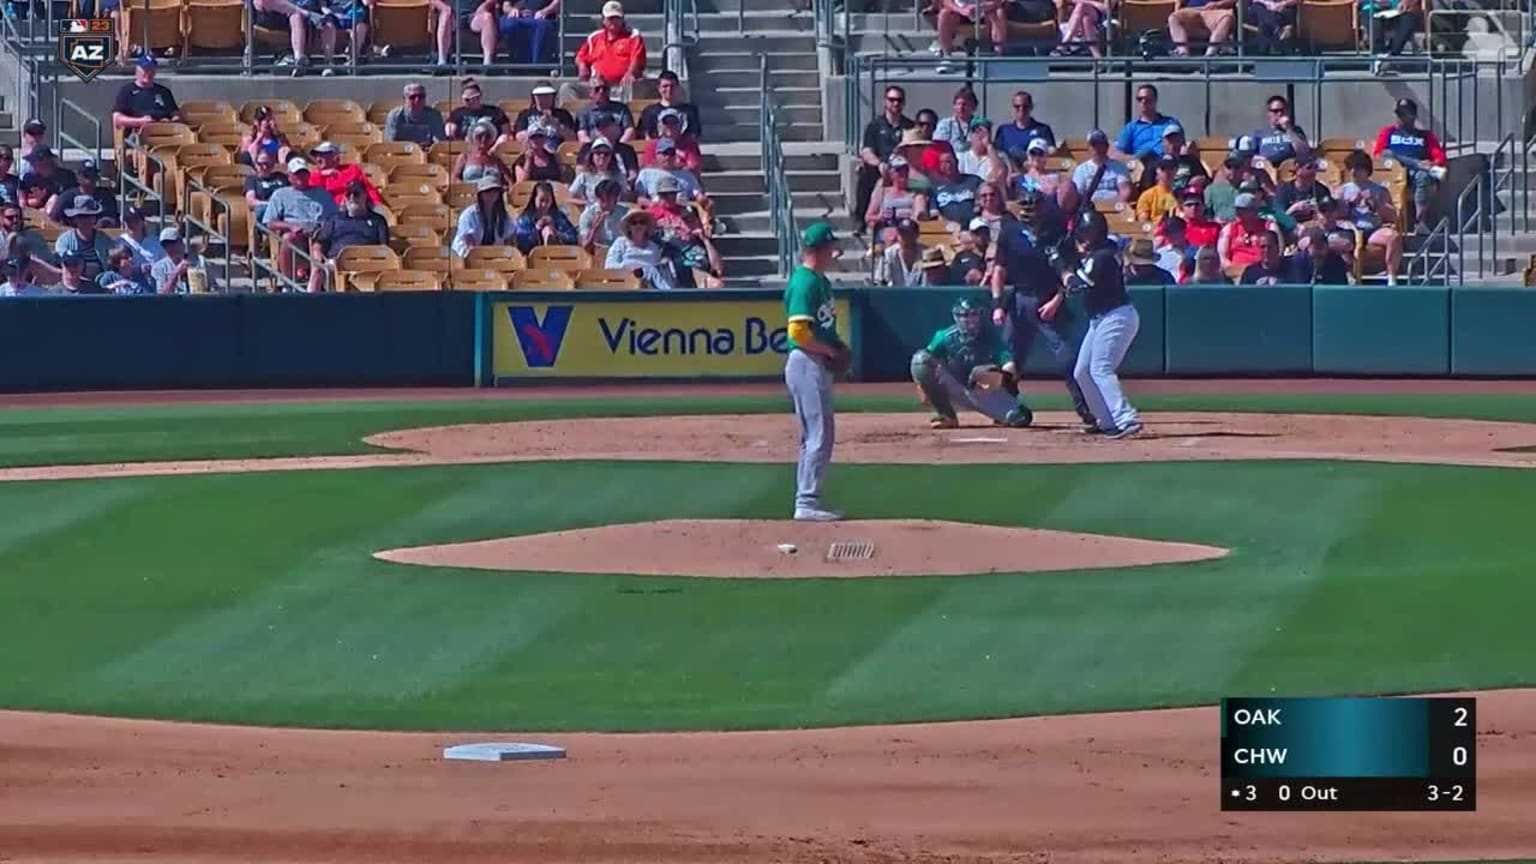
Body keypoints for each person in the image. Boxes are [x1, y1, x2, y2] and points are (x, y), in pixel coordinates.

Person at [987, 192, 1095, 424]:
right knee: (1009, 359)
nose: (1031, 214)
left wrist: (1057, 300)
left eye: (1035, 209)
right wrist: (997, 304)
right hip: (1019, 299)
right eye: (1027, 210)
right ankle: (1007, 408)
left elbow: (1069, 273)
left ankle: (1087, 409)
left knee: (1068, 358)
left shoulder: (1057, 234)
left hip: (1049, 300)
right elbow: (999, 270)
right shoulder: (1011, 232)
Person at [783, 221, 849, 522]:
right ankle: (806, 502)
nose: (834, 253)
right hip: (805, 361)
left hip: (814, 362)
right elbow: (798, 332)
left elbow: (822, 328)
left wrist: (836, 346)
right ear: (819, 249)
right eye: (831, 248)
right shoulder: (805, 282)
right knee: (819, 435)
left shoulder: (821, 281)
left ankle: (808, 499)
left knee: (816, 434)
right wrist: (831, 351)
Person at [1064, 210, 1141, 438]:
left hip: (1116, 316)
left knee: (1100, 368)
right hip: (1100, 319)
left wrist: (1061, 265)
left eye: (1087, 234)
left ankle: (1126, 419)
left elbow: (1077, 284)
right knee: (1082, 372)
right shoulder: (1098, 253)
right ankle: (1106, 420)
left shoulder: (1103, 256)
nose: (1083, 238)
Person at [913, 297, 1033, 430]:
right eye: (964, 315)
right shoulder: (945, 336)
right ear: (956, 317)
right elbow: (928, 360)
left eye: (972, 315)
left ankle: (1000, 415)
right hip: (954, 385)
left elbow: (1008, 363)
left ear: (979, 316)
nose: (968, 320)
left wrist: (1003, 378)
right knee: (920, 360)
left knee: (1021, 417)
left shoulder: (990, 336)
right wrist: (922, 385)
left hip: (983, 389)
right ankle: (946, 415)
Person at [1372, 98, 1447, 229]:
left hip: (1416, 174)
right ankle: (1416, 164)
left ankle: (1420, 222)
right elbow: (1379, 154)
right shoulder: (1388, 132)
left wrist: (1432, 163)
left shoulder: (1425, 135)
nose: (1400, 118)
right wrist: (1416, 163)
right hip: (1393, 170)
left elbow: (1440, 156)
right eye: (1398, 114)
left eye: (1404, 114)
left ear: (1413, 115)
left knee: (1423, 176)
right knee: (1388, 154)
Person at [261, 158, 339, 281]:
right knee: (288, 238)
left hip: (320, 234)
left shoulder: (322, 194)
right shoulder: (280, 194)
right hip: (297, 236)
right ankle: (289, 282)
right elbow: (270, 222)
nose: (300, 177)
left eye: (303, 173)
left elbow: (335, 217)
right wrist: (290, 226)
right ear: (289, 176)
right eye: (297, 174)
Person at [309, 181, 390, 292]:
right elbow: (319, 242)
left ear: (365, 196)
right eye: (348, 194)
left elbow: (384, 248)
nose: (352, 198)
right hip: (336, 264)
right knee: (318, 270)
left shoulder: (378, 220)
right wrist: (317, 254)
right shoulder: (334, 219)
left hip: (367, 264)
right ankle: (309, 306)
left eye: (356, 194)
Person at [854, 86, 914, 236]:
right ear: (885, 102)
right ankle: (861, 221)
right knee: (866, 174)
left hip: (903, 169)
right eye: (892, 100)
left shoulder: (910, 126)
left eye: (899, 100)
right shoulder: (875, 126)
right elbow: (866, 151)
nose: (895, 103)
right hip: (881, 167)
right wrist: (879, 164)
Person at [1338, 149, 1403, 283]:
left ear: (1366, 170)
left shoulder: (1380, 190)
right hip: (1351, 230)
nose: (1353, 172)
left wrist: (1377, 203)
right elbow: (1337, 215)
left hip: (1373, 229)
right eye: (1350, 168)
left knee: (1394, 237)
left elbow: (1393, 216)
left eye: (1357, 169)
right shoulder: (1343, 190)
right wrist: (1350, 203)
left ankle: (1391, 278)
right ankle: (1348, 272)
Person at [574, 1, 646, 90]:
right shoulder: (594, 38)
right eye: (610, 18)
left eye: (617, 18)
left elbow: (637, 59)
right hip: (597, 86)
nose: (613, 21)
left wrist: (630, 73)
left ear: (622, 19)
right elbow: (580, 57)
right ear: (603, 19)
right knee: (568, 88)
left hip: (623, 86)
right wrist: (582, 66)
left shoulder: (633, 36)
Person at [605, 209, 678, 290]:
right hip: (624, 282)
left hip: (648, 287)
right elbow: (609, 266)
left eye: (642, 222)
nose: (638, 225)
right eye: (634, 223)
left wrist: (644, 272)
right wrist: (631, 270)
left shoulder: (653, 247)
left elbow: (657, 273)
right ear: (629, 227)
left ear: (646, 227)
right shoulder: (620, 243)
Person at [111, 56, 183, 137]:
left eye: (152, 70)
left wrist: (173, 121)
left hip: (166, 131)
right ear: (137, 71)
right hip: (140, 132)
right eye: (145, 70)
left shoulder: (164, 92)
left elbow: (175, 113)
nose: (149, 73)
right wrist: (140, 121)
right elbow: (117, 119)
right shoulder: (127, 91)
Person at [1113, 84, 1181, 169]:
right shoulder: (1131, 127)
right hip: (1141, 167)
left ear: (1155, 100)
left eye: (1147, 99)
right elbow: (1117, 155)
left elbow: (1182, 147)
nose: (1143, 102)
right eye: (1140, 99)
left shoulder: (1170, 123)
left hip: (1167, 164)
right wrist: (1135, 159)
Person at [254, 0, 328, 76]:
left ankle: (298, 60)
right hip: (268, 15)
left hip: (292, 14)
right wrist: (305, 13)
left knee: (296, 16)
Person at [451, 174, 517, 256]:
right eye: (487, 191)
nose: (491, 194)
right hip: (466, 254)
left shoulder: (503, 215)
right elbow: (470, 245)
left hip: (493, 255)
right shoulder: (469, 215)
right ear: (480, 194)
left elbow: (508, 241)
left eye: (495, 191)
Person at [53, 196, 114, 280]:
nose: (85, 220)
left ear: (95, 218)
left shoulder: (104, 239)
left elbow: (112, 264)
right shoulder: (64, 241)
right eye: (81, 216)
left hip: (102, 285)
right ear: (74, 219)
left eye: (89, 216)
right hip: (74, 283)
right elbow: (63, 267)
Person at [512, 180, 579, 253]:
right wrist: (537, 229)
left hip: (559, 255)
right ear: (534, 199)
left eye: (547, 201)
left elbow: (573, 238)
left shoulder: (559, 216)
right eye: (541, 200)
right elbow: (521, 242)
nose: (544, 204)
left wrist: (556, 231)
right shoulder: (525, 218)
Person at [933, 0, 1008, 65]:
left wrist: (981, 7)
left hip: (984, 10)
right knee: (944, 14)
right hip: (961, 12)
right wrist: (961, 10)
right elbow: (947, 2)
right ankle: (947, 57)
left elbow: (998, 2)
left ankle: (997, 55)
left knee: (999, 13)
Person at [1071, 129, 1134, 205]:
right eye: (1094, 145)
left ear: (1107, 146)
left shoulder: (1119, 167)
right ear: (1089, 148)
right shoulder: (1081, 170)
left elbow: (1125, 190)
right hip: (1090, 207)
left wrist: (1117, 206)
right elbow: (1079, 194)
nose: (1097, 148)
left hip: (1114, 208)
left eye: (1100, 144)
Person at [427, 0, 495, 70]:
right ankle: (442, 61)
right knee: (445, 16)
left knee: (487, 17)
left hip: (475, 14)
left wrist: (485, 5)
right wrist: (443, 7)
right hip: (452, 15)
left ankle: (487, 63)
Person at [47, 160, 117, 227]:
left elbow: (113, 219)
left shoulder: (106, 196)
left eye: (94, 175)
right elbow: (51, 220)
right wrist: (68, 231)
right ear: (77, 177)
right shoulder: (66, 197)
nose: (90, 179)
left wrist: (103, 223)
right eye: (86, 175)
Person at [865, 157, 920, 242]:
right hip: (888, 228)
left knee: (903, 235)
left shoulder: (914, 194)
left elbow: (918, 216)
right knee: (892, 235)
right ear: (891, 173)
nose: (903, 173)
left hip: (908, 229)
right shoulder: (882, 192)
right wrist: (880, 217)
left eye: (905, 170)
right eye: (899, 171)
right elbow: (868, 217)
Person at [312, 142, 383, 207]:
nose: (318, 159)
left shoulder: (352, 170)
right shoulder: (316, 176)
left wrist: (377, 205)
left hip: (353, 209)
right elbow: (311, 192)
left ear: (334, 156)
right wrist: (323, 174)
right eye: (316, 155)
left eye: (322, 155)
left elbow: (368, 188)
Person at [1217, 192, 1274, 272]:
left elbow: (1276, 254)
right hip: (1235, 273)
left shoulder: (1268, 226)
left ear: (1254, 210)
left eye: (1242, 210)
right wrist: (1238, 271)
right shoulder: (1229, 229)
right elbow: (1223, 258)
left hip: (1262, 272)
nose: (1237, 213)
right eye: (1237, 209)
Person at [992, 91, 1056, 162]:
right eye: (1017, 106)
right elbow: (997, 153)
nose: (1021, 109)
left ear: (1031, 107)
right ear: (1012, 108)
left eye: (1025, 106)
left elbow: (1051, 150)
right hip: (1009, 170)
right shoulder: (1003, 130)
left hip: (1034, 169)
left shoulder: (1043, 129)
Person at [638, 71, 702, 141]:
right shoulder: (649, 112)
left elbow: (694, 135)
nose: (669, 89)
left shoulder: (690, 111)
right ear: (659, 88)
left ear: (678, 87)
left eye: (672, 86)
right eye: (665, 86)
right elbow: (647, 136)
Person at [924, 149, 981, 225]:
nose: (948, 165)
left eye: (949, 161)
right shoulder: (934, 189)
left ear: (957, 162)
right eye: (943, 163)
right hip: (947, 229)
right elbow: (935, 214)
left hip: (974, 225)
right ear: (939, 166)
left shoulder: (974, 181)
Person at [498, 0, 562, 66]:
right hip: (517, 16)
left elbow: (557, 3)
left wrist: (545, 11)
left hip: (542, 17)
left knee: (542, 26)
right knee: (510, 24)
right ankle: (515, 64)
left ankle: (538, 65)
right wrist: (511, 10)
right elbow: (505, 6)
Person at [1272, 156, 1333, 225]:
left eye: (1315, 167)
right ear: (1298, 170)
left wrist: (1320, 214)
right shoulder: (1284, 189)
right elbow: (1279, 218)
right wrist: (1294, 209)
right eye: (1309, 168)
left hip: (1314, 227)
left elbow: (1328, 219)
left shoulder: (1321, 190)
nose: (1313, 171)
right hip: (1290, 227)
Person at [1252, 95, 1310, 166]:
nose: (1279, 114)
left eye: (1282, 110)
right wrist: (1262, 160)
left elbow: (1304, 151)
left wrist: (1288, 129)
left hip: (1289, 169)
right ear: (1269, 113)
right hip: (1267, 169)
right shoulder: (1260, 133)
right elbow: (1251, 157)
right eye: (1275, 111)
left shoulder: (1296, 130)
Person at [579, 114, 640, 180]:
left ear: (615, 127)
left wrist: (623, 183)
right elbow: (580, 170)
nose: (601, 130)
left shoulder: (627, 150)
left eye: (605, 126)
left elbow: (633, 174)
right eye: (598, 127)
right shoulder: (587, 148)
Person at [446, 80, 511, 142]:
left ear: (480, 96)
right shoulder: (457, 113)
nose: (472, 101)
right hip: (465, 147)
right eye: (467, 100)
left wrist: (493, 149)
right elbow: (450, 131)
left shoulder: (495, 112)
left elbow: (506, 132)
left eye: (475, 98)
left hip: (492, 146)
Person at [384, 83, 449, 146]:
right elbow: (390, 145)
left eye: (421, 96)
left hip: (427, 152)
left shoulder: (434, 116)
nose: (417, 100)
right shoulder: (394, 116)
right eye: (413, 97)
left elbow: (439, 144)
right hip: (401, 153)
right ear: (405, 99)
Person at [569, 138, 629, 205]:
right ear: (592, 156)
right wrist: (587, 204)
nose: (602, 156)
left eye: (606, 154)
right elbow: (570, 198)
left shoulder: (619, 176)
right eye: (598, 153)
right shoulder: (583, 177)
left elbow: (625, 198)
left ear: (611, 157)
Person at [1283, 225, 1350, 284]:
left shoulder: (1337, 263)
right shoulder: (1296, 263)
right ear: (1307, 249)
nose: (1317, 260)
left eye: (1320, 256)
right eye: (1315, 256)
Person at [1167, 0, 1237, 56]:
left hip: (1216, 11)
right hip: (1193, 10)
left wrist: (1218, 4)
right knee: (1174, 17)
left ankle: (1210, 55)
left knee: (1227, 18)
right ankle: (1183, 54)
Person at [513, 82, 577, 142]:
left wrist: (556, 125)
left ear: (553, 96)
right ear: (534, 97)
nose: (543, 99)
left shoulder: (563, 114)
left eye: (547, 95)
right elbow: (519, 137)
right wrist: (538, 126)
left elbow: (572, 138)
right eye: (539, 96)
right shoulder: (525, 114)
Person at [18, 148, 75, 213]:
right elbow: (24, 200)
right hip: (35, 214)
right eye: (31, 161)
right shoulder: (29, 178)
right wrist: (39, 200)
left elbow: (70, 197)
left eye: (38, 160)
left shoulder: (67, 176)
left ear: (49, 160)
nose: (32, 163)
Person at [579, 177, 629, 251]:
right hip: (598, 253)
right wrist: (595, 228)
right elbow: (586, 247)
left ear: (616, 199)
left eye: (608, 200)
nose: (604, 205)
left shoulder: (626, 214)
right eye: (602, 200)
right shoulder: (588, 215)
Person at [150, 228, 204, 293]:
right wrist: (175, 273)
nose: (170, 248)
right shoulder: (158, 267)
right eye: (165, 245)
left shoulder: (199, 261)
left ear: (181, 242)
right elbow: (162, 297)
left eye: (173, 243)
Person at [875, 218, 926, 287]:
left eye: (908, 234)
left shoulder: (926, 254)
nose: (904, 237)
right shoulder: (888, 254)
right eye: (901, 233)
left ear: (916, 235)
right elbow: (880, 281)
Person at [114, 206, 164, 273]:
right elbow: (115, 267)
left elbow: (164, 264)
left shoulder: (156, 242)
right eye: (128, 221)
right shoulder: (119, 242)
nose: (131, 224)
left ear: (143, 222)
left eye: (135, 221)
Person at [957, 118, 1005, 185]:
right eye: (977, 132)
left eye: (986, 132)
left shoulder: (998, 156)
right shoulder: (961, 157)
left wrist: (989, 146)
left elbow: (999, 174)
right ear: (970, 136)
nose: (981, 136)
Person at [1134, 157, 1180, 222]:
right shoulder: (1147, 195)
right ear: (1157, 171)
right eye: (1163, 169)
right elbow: (1143, 222)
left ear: (1176, 171)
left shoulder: (1181, 195)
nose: (1167, 172)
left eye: (1171, 168)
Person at [949, 218, 990, 285]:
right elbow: (953, 278)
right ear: (971, 234)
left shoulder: (995, 255)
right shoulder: (961, 256)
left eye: (985, 232)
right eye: (977, 233)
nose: (981, 236)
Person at [1154, 214, 1194, 279]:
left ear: (1183, 231)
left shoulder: (1197, 251)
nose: (1169, 235)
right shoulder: (1159, 255)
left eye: (1173, 231)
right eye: (1167, 232)